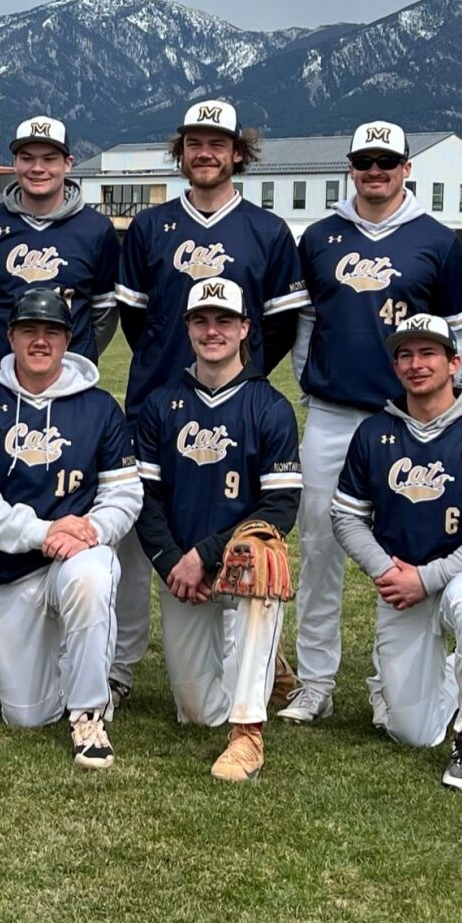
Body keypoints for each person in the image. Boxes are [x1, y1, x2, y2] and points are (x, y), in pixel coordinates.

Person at [282, 120, 462, 725]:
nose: (375, 171)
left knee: (410, 548)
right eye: (364, 161)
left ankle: (392, 680)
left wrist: (443, 404)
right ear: (350, 166)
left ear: (406, 168)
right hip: (334, 416)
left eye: (386, 162)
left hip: (406, 421)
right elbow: (306, 325)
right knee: (319, 550)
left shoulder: (439, 240)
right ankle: (315, 682)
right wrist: (312, 385)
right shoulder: (318, 237)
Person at [113, 98, 307, 700]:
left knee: (241, 522)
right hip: (155, 402)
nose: (205, 152)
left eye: (217, 143)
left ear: (236, 153)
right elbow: (133, 318)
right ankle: (119, 668)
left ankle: (260, 650)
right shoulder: (150, 227)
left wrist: (235, 380)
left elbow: (278, 324)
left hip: (235, 404)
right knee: (132, 535)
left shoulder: (268, 231)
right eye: (194, 142)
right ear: (181, 151)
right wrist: (176, 377)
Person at [0, 289, 142, 768]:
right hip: (9, 568)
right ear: (10, 336)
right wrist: (44, 531)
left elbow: (125, 494)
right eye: (28, 330)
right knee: (25, 716)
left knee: (94, 575)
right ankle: (64, 667)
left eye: (51, 331)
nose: (39, 340)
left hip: (77, 555)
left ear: (68, 339)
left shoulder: (98, 407)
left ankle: (89, 710)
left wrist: (90, 531)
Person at [331, 314, 462, 793]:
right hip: (403, 585)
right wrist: (388, 572)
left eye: (428, 354)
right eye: (405, 354)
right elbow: (345, 517)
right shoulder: (375, 431)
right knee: (411, 733)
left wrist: (431, 576)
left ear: (454, 363)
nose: (416, 364)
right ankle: (436, 677)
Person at [0, 114, 120, 701]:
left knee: (61, 491)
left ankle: (66, 632)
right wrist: (0, 358)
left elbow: (102, 312)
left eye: (49, 157)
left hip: (66, 377)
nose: (37, 167)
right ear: (15, 162)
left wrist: (69, 360)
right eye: (27, 156)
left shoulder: (96, 230)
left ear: (66, 164)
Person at [132, 279, 302, 781]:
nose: (213, 331)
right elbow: (147, 499)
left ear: (245, 327)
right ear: (187, 329)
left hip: (231, 565)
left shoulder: (269, 406)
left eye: (224, 321)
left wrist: (205, 554)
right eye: (201, 321)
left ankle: (248, 734)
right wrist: (170, 562)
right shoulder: (161, 405)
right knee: (198, 713)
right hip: (182, 571)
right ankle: (271, 667)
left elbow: (280, 504)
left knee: (259, 555)